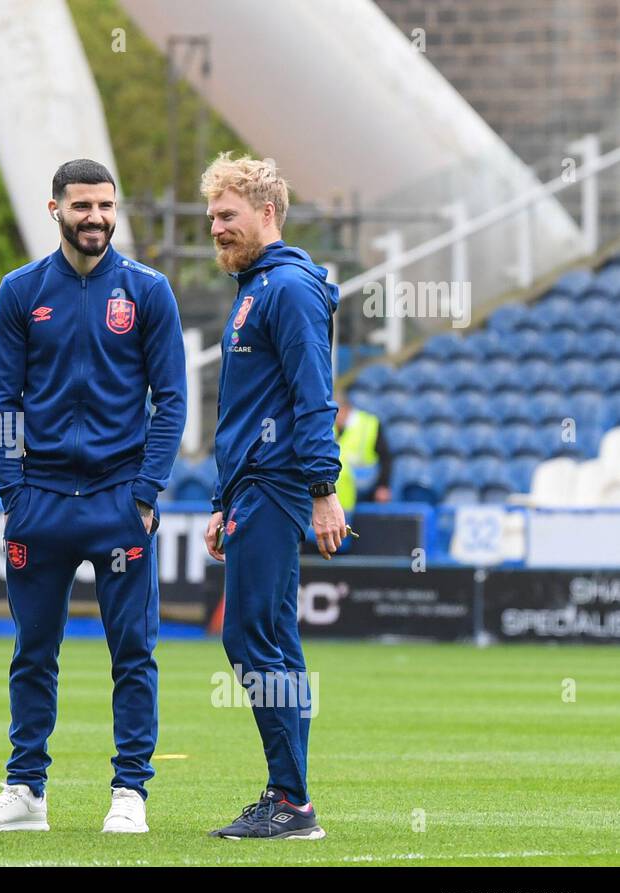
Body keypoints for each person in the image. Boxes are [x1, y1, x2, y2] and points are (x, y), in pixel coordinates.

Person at [0, 159, 186, 835]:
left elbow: (172, 399)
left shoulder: (148, 290)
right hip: (43, 503)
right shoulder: (20, 291)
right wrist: (14, 491)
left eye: (106, 206)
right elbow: (2, 401)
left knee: (133, 651)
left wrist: (145, 494)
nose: (96, 217)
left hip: (120, 502)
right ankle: (27, 789)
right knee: (33, 649)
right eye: (82, 206)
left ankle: (129, 792)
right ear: (54, 208)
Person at [201, 152, 345, 840]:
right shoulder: (258, 286)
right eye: (211, 219)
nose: (216, 229)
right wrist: (220, 503)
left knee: (251, 635)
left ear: (267, 213)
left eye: (226, 216)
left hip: (280, 481)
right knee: (272, 640)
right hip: (253, 487)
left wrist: (323, 489)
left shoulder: (285, 288)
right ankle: (290, 797)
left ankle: (291, 800)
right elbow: (246, 406)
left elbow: (314, 395)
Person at [334, 389, 393, 510]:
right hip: (339, 481)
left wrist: (383, 485)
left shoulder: (369, 424)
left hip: (364, 479)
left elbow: (385, 457)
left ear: (345, 409)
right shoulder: (330, 425)